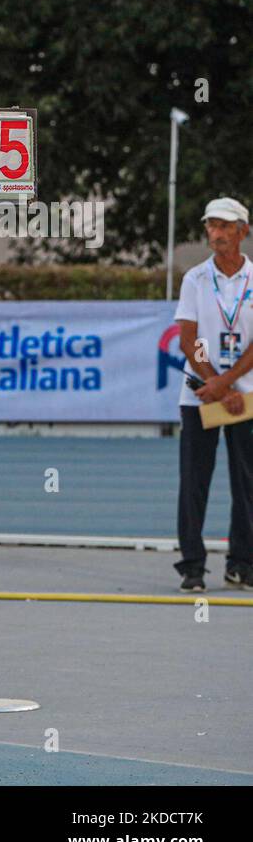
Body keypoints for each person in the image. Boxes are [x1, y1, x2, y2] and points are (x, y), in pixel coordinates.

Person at [173, 196, 253, 593]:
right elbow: (190, 339)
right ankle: (192, 566)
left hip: (246, 396)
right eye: (211, 226)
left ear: (243, 231)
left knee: (248, 483)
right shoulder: (196, 279)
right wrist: (216, 381)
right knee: (194, 482)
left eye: (223, 226)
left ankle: (241, 564)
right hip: (201, 395)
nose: (215, 234)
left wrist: (230, 382)